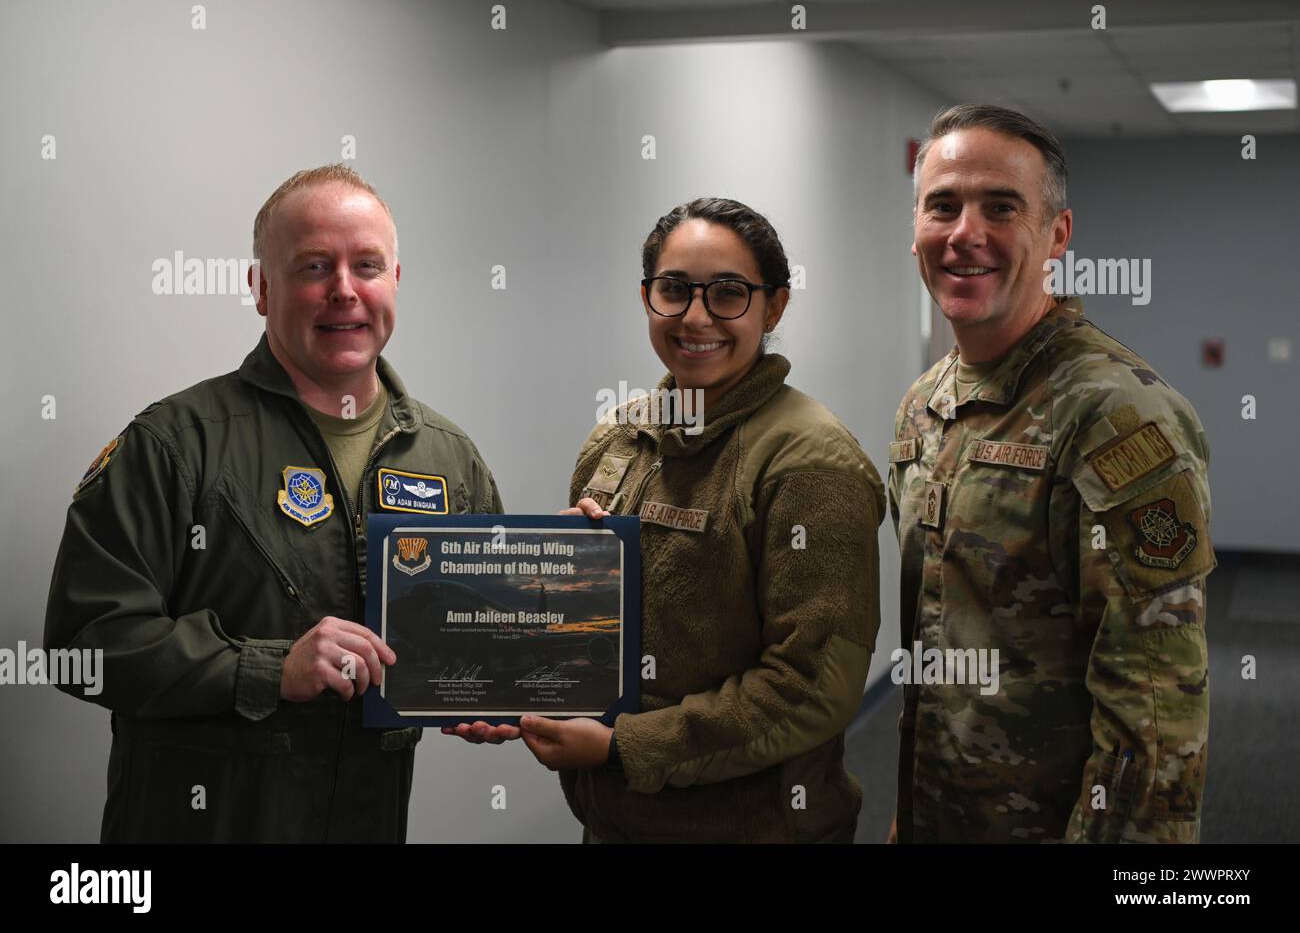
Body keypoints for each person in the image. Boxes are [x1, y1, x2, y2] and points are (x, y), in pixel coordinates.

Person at [44, 164, 503, 842]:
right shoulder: (174, 444)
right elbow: (80, 646)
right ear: (260, 288)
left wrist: (510, 675)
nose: (343, 290)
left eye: (366, 265)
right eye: (314, 266)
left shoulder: (448, 458)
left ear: (395, 282)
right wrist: (265, 668)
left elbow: (486, 637)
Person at [448, 198, 884, 843]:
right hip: (616, 821)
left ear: (776, 305)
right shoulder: (620, 435)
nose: (696, 316)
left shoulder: (808, 462)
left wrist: (621, 746)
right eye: (674, 290)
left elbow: (809, 687)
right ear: (647, 296)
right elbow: (592, 636)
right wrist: (519, 684)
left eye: (728, 293)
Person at [888, 105, 1214, 843]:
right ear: (915, 228)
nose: (964, 233)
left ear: (1057, 235)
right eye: (943, 205)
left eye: (1000, 207)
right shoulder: (924, 406)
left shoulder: (1117, 415)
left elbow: (1158, 711)